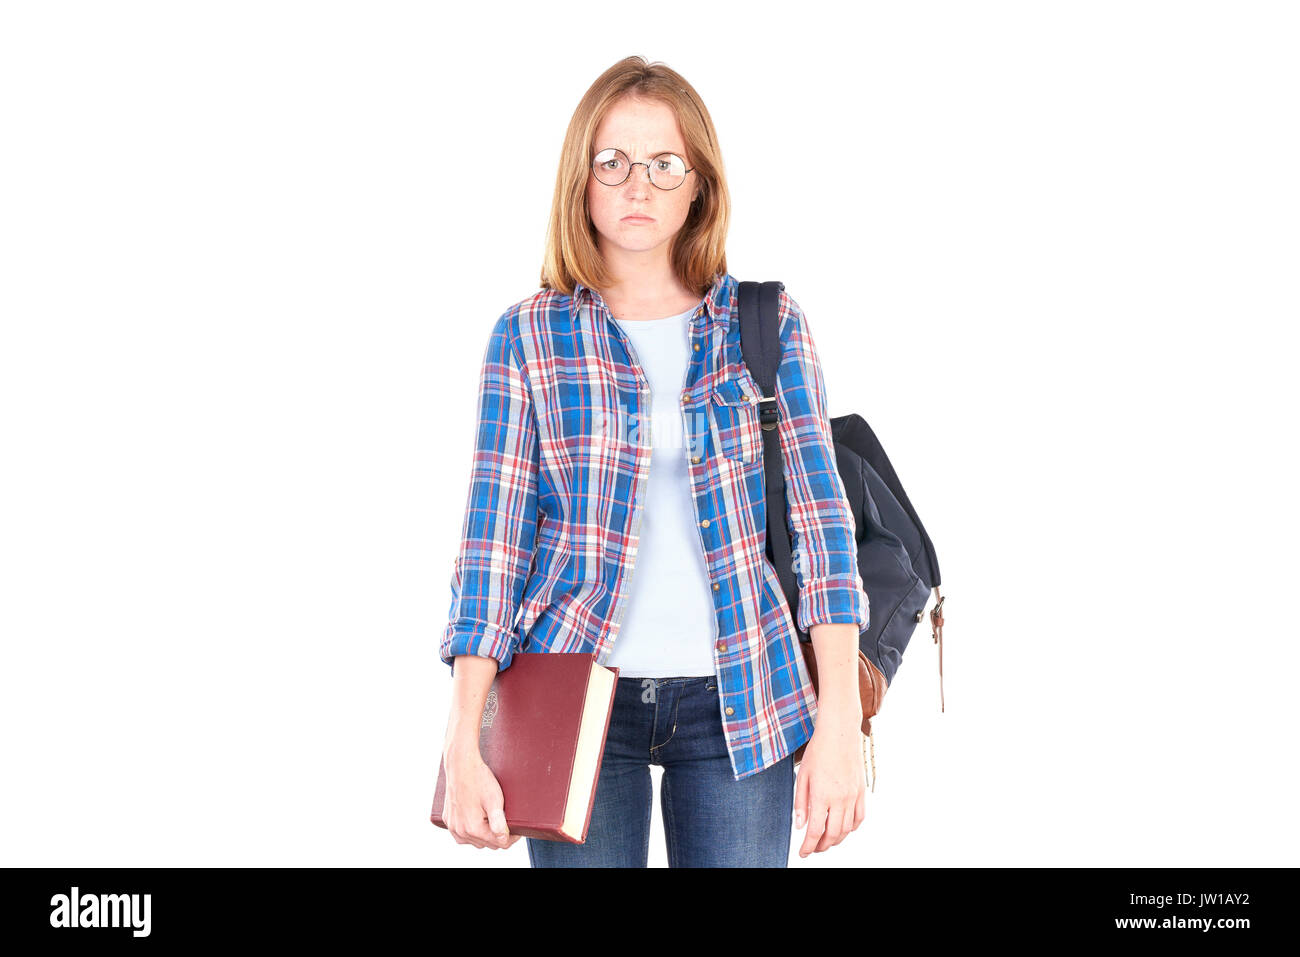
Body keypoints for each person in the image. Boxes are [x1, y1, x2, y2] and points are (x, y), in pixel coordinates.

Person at [437, 56, 871, 867]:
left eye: (664, 164)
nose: (638, 185)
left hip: (745, 694)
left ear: (698, 183)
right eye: (614, 162)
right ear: (583, 178)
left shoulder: (766, 324)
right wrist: (465, 736)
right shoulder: (528, 336)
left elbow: (822, 531)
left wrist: (841, 721)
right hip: (569, 699)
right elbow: (491, 548)